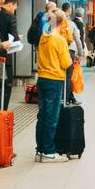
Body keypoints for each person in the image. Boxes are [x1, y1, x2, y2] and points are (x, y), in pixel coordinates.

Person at [33, 9, 71, 162]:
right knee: (51, 117)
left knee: (42, 115)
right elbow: (66, 62)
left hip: (42, 78)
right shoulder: (59, 40)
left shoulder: (44, 37)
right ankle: (49, 151)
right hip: (54, 79)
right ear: (62, 23)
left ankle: (40, 149)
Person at [0, 0, 20, 107]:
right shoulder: (10, 17)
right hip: (3, 55)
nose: (13, 11)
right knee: (6, 84)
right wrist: (17, 39)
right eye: (14, 8)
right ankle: (2, 111)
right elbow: (14, 38)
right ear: (9, 5)